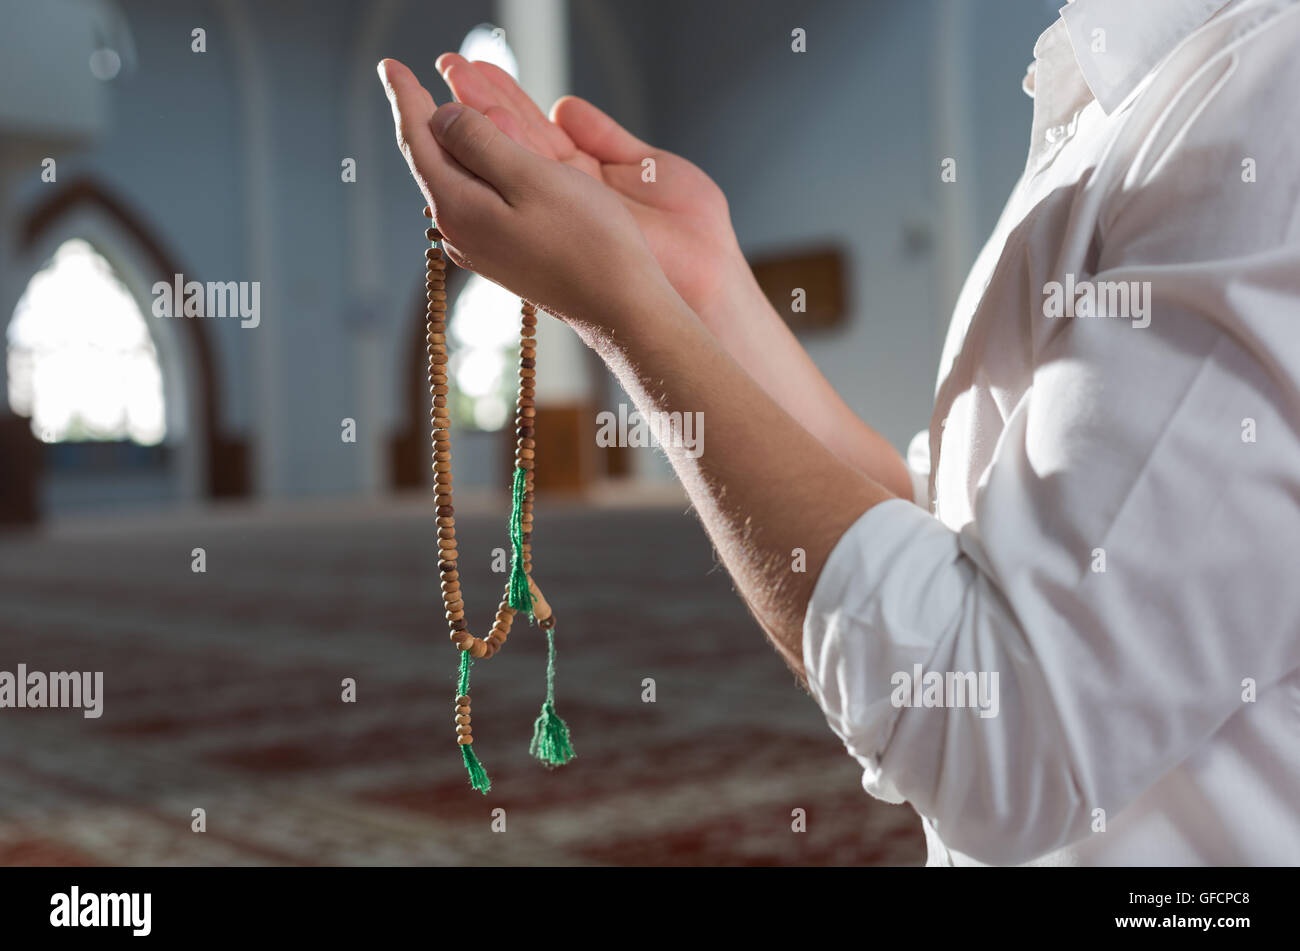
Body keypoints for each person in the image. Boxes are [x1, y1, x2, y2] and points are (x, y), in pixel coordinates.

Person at [378, 0, 1300, 865]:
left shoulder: (1267, 96)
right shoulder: (1138, 85)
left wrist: (623, 307)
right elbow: (947, 547)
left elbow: (999, 726)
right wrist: (698, 289)